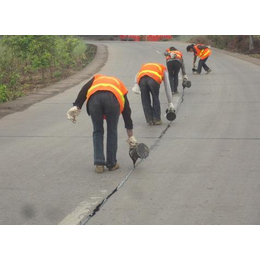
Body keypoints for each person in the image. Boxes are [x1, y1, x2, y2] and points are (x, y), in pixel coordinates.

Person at [67, 74, 138, 174]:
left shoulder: (96, 78)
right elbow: (126, 110)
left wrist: (77, 106)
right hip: (112, 100)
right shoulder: (119, 84)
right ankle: (112, 163)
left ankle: (99, 164)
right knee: (112, 130)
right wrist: (130, 135)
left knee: (97, 131)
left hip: (94, 99)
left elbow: (84, 90)